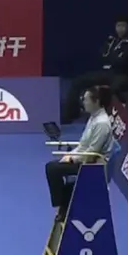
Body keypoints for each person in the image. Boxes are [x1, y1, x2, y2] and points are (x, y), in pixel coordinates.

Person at [45, 86, 116, 221]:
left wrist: (73, 159)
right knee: (58, 172)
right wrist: (69, 155)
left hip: (94, 165)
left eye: (86, 99)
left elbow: (92, 152)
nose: (83, 101)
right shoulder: (93, 118)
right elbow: (83, 145)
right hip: (86, 160)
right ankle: (65, 207)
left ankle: (62, 207)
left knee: (52, 169)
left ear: (96, 102)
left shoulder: (102, 123)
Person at [62, 16, 128, 124]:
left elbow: (122, 62)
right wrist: (112, 57)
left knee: (113, 89)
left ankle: (112, 119)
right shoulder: (112, 41)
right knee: (78, 81)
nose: (120, 29)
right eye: (118, 26)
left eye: (123, 26)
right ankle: (70, 115)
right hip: (106, 73)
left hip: (122, 75)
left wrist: (111, 58)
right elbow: (103, 56)